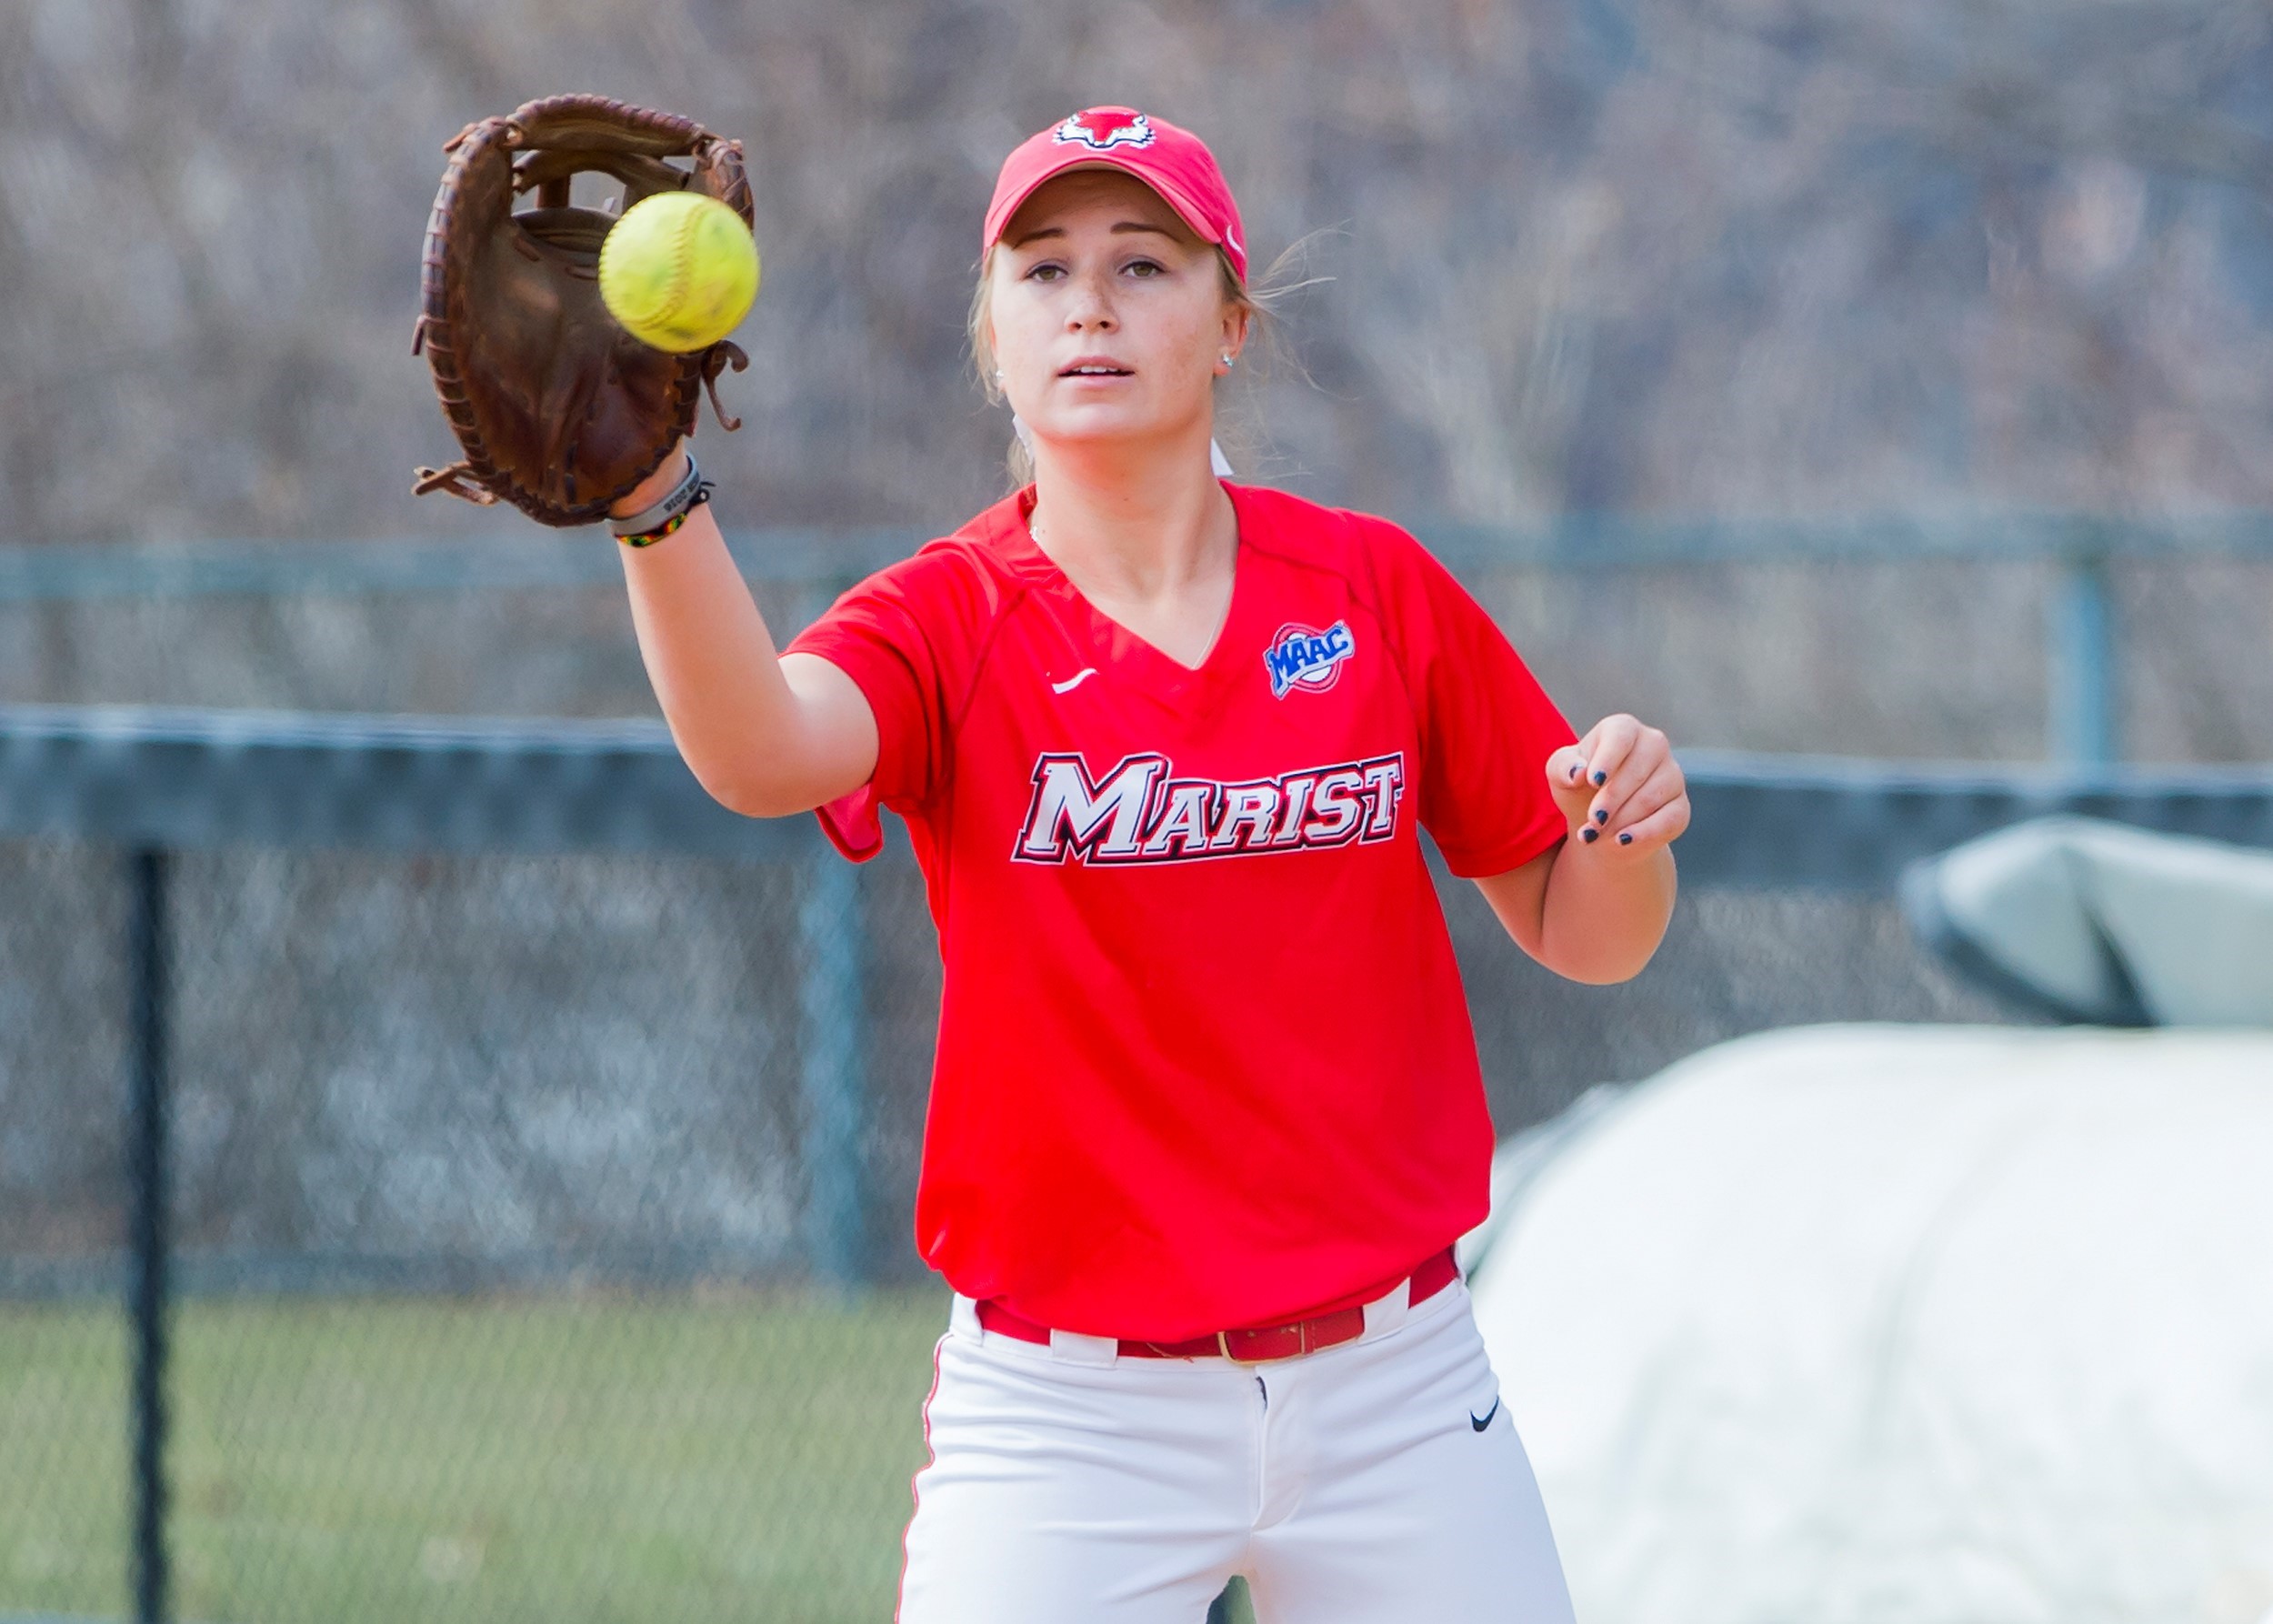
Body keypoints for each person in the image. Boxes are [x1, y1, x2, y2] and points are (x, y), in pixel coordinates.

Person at [603, 105, 1688, 1624]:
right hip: (1070, 1414)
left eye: (1143, 261)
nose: (1091, 301)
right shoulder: (953, 616)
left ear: (1232, 318)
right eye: (1041, 270)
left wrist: (1620, 827)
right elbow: (762, 749)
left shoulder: (1373, 589)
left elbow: (1593, 933)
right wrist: (653, 505)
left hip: (1398, 1378)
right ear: (993, 335)